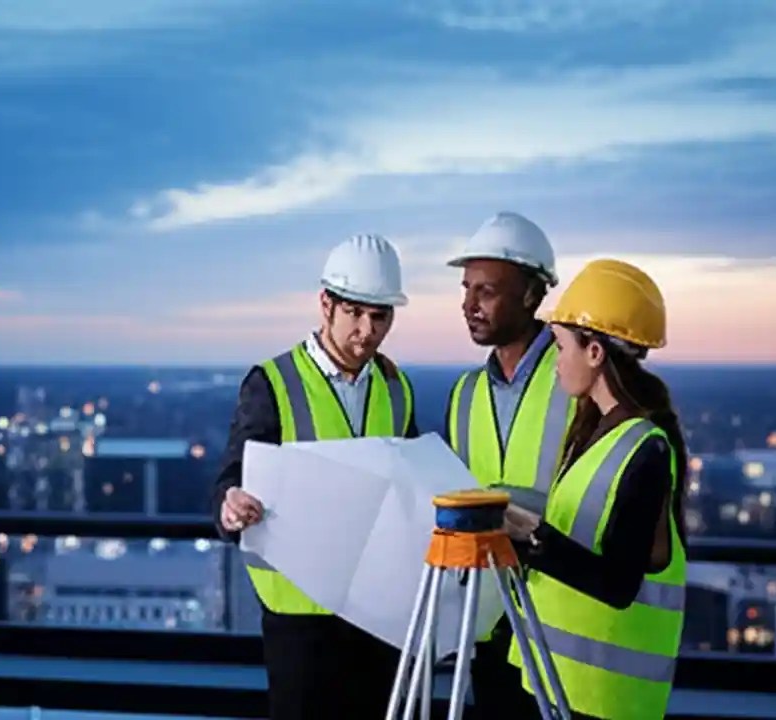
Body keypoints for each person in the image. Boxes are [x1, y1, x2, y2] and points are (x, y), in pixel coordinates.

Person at [209, 233, 421, 719]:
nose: (367, 331)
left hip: (378, 617)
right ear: (326, 304)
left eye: (381, 316)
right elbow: (229, 480)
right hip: (302, 625)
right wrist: (230, 505)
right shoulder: (273, 383)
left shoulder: (396, 388)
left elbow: (409, 484)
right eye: (356, 313)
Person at [502, 258, 690, 720]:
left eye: (561, 347)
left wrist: (532, 536)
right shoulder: (594, 431)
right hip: (556, 682)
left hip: (605, 699)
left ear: (595, 353)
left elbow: (618, 583)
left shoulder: (645, 451)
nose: (555, 364)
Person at [441, 211, 577, 717]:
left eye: (487, 291)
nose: (468, 305)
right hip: (488, 619)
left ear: (530, 294)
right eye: (466, 288)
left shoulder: (576, 381)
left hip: (559, 621)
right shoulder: (464, 395)